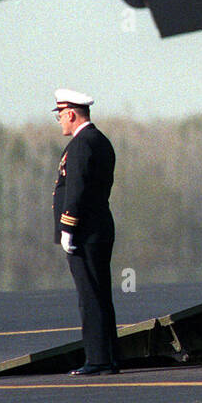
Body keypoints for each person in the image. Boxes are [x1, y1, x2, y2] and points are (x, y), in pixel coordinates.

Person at [52, 88, 119, 375]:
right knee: (99, 293)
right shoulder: (99, 140)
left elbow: (76, 188)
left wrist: (68, 225)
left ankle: (98, 358)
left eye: (60, 115)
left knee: (89, 296)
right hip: (97, 227)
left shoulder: (81, 144)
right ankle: (109, 356)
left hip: (84, 231)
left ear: (70, 113)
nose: (59, 121)